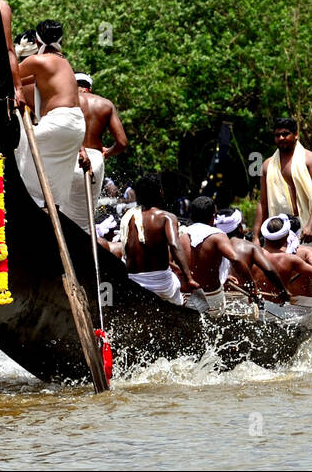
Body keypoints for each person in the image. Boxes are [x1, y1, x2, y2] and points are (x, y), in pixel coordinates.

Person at [14, 20, 85, 211]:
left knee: (21, 146)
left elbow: (9, 75)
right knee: (54, 176)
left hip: (59, 122)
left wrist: (11, 53)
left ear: (37, 43)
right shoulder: (64, 62)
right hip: (77, 126)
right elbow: (28, 79)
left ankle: (29, 203)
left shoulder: (38, 61)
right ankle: (49, 208)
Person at [60, 72, 129, 232]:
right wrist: (107, 152)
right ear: (89, 88)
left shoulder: (65, 100)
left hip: (71, 157)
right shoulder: (105, 104)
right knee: (86, 218)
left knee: (63, 213)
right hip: (96, 162)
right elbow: (122, 143)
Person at [180, 195, 263, 316]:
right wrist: (252, 287)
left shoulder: (180, 236)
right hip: (212, 299)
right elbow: (235, 259)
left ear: (191, 216)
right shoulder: (217, 236)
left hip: (185, 298)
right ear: (213, 218)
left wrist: (223, 277)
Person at [253, 117, 312, 246]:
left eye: (285, 134)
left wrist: (311, 224)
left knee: (311, 264)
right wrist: (255, 236)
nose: (281, 138)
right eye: (277, 135)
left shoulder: (310, 159)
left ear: (296, 135)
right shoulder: (267, 165)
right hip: (279, 229)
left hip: (307, 226)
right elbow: (263, 203)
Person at [119, 175, 189, 305]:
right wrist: (189, 277)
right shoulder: (167, 217)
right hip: (162, 286)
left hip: (133, 282)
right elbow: (174, 245)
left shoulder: (128, 218)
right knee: (181, 291)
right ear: (160, 193)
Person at [254, 214, 312, 301]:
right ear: (286, 237)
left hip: (260, 307)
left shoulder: (252, 254)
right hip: (293, 309)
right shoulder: (292, 258)